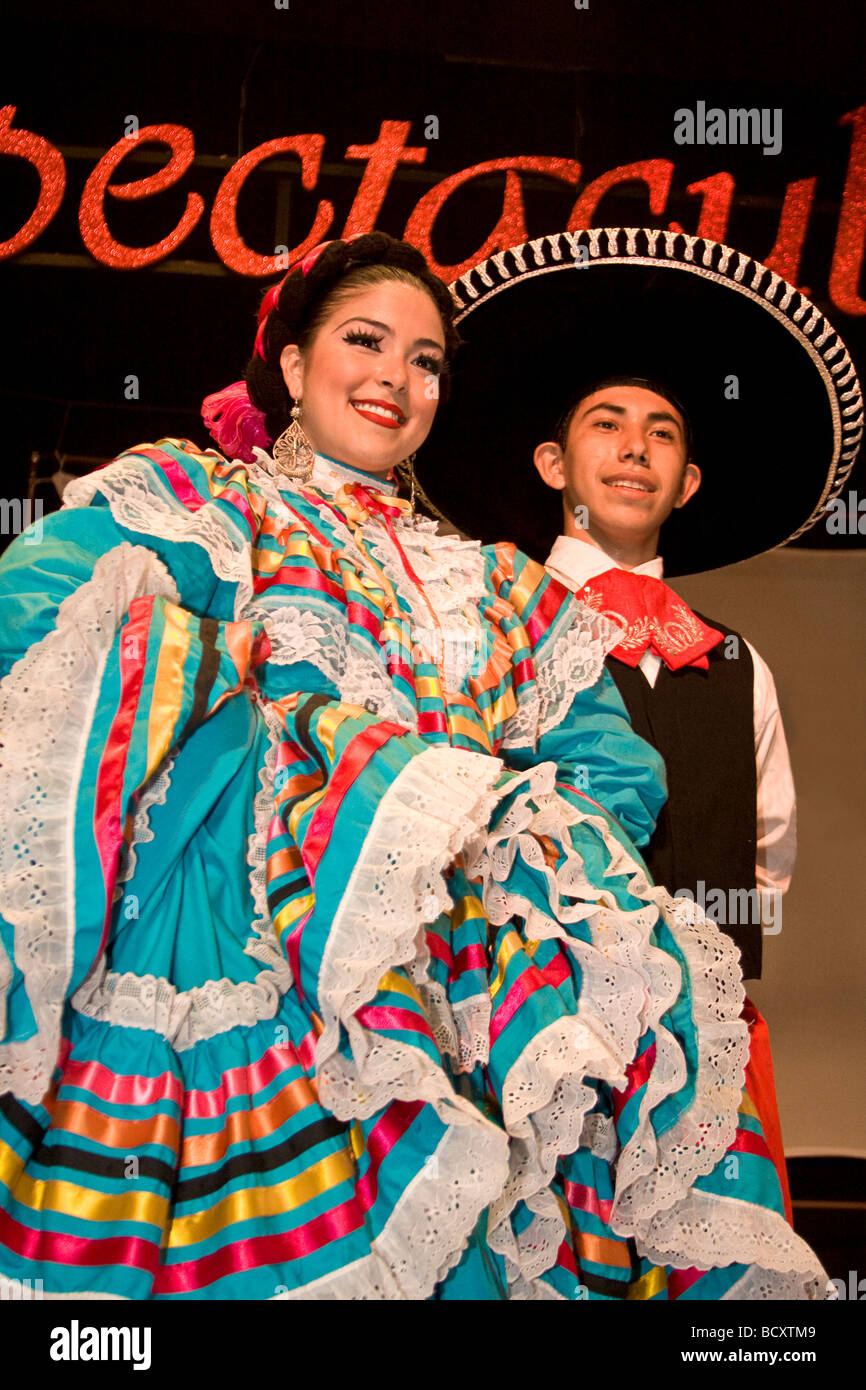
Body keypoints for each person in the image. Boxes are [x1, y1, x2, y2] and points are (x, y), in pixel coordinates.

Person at [0, 231, 828, 1300]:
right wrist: (261, 715)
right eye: (365, 341)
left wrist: (484, 820)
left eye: (426, 359)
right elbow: (33, 625)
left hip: (471, 979)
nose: (396, 376)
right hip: (256, 944)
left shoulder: (494, 581)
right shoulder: (201, 503)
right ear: (293, 366)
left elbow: (609, 768)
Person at [415, 224, 864, 1245]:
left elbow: (765, 858)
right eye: (605, 423)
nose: (632, 446)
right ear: (549, 461)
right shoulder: (497, 625)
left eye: (660, 432)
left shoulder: (736, 662)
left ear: (686, 481)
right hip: (531, 1028)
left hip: (701, 1043)